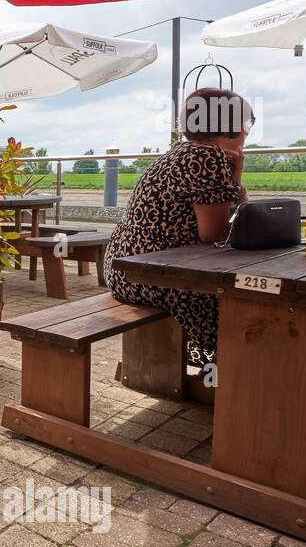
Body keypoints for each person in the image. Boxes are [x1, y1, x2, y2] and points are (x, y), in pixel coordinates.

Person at [105, 87, 251, 366]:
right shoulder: (207, 158)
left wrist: (236, 173)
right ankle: (232, 379)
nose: (247, 131)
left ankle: (223, 377)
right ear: (229, 127)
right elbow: (215, 234)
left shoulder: (182, 153)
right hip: (152, 275)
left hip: (127, 266)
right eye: (246, 123)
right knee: (242, 308)